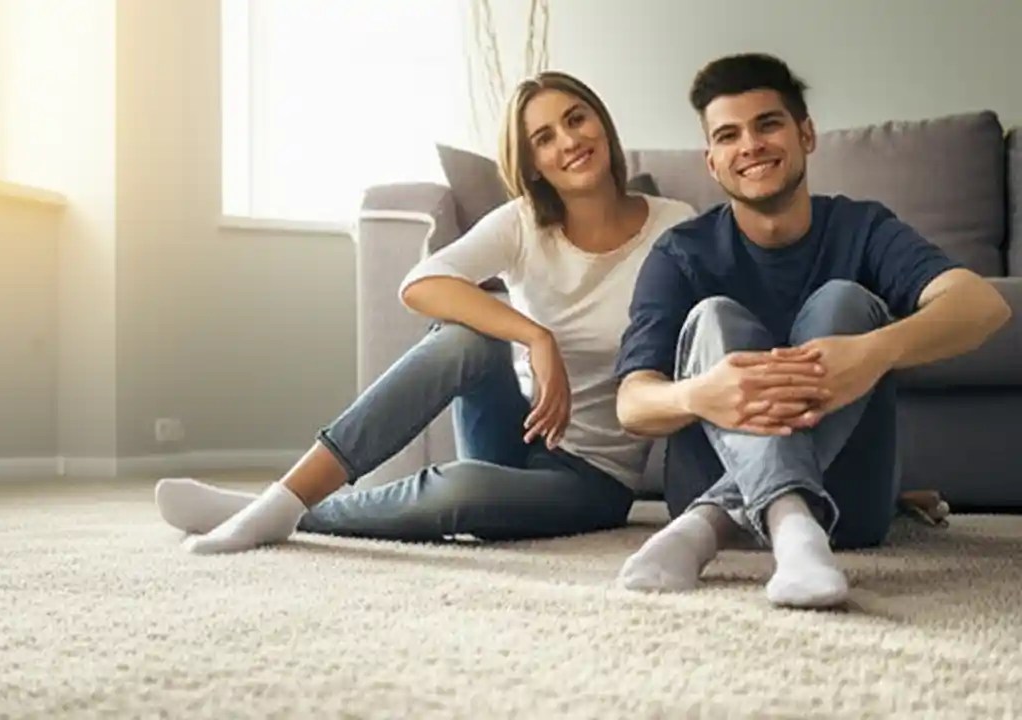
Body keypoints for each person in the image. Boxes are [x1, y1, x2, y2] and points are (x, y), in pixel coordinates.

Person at [153, 71, 695, 553]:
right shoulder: (524, 221)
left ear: (602, 123)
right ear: (531, 165)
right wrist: (536, 337)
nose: (570, 141)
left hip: (593, 479)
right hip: (518, 433)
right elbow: (421, 284)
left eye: (576, 119)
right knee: (464, 340)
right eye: (545, 137)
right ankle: (284, 498)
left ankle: (271, 510)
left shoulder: (674, 225)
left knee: (460, 490)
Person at [611, 53, 1011, 608]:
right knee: (714, 316)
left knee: (845, 301)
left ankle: (709, 524)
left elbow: (983, 305)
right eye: (728, 135)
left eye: (767, 124)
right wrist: (699, 393)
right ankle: (796, 529)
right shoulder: (682, 251)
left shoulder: (861, 227)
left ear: (806, 134)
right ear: (712, 162)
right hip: (711, 468)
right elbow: (632, 404)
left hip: (848, 504)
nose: (750, 145)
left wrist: (874, 352)